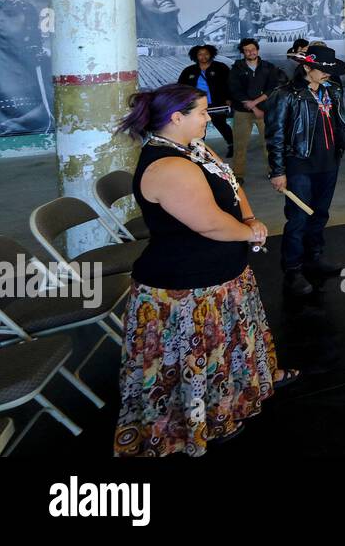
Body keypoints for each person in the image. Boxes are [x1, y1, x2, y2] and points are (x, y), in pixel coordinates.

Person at [112, 84, 293, 456]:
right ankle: (204, 420)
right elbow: (209, 224)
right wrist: (250, 233)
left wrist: (249, 217)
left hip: (220, 272)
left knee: (228, 348)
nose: (207, 119)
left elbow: (229, 179)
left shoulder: (191, 147)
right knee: (202, 357)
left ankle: (241, 394)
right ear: (176, 118)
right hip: (189, 284)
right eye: (201, 113)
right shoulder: (169, 166)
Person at [265, 44, 345, 296]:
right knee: (298, 219)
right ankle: (293, 269)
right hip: (299, 165)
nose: (327, 73)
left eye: (329, 69)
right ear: (306, 67)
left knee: (320, 214)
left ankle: (314, 258)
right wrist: (277, 170)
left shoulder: (332, 90)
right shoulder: (285, 94)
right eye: (321, 69)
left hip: (328, 163)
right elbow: (275, 135)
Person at [0, 0, 53, 137]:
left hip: (40, 140)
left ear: (28, 21)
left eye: (10, 14)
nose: (0, 19)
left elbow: (54, 102)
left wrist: (20, 124)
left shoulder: (44, 58)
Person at [228, 38, 280, 178]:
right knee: (240, 145)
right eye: (247, 50)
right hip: (242, 111)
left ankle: (273, 171)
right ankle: (238, 174)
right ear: (243, 52)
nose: (250, 52)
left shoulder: (268, 67)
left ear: (257, 50)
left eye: (253, 49)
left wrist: (256, 103)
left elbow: (272, 88)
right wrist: (254, 108)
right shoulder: (237, 68)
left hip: (265, 111)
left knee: (269, 143)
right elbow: (235, 90)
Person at [178, 44, 233, 158]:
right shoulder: (189, 71)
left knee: (220, 124)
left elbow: (230, 84)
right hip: (197, 105)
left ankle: (232, 145)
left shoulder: (221, 67)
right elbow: (181, 87)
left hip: (217, 103)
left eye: (206, 54)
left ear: (211, 54)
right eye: (200, 54)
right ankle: (199, 150)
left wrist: (228, 98)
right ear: (195, 56)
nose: (203, 56)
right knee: (198, 126)